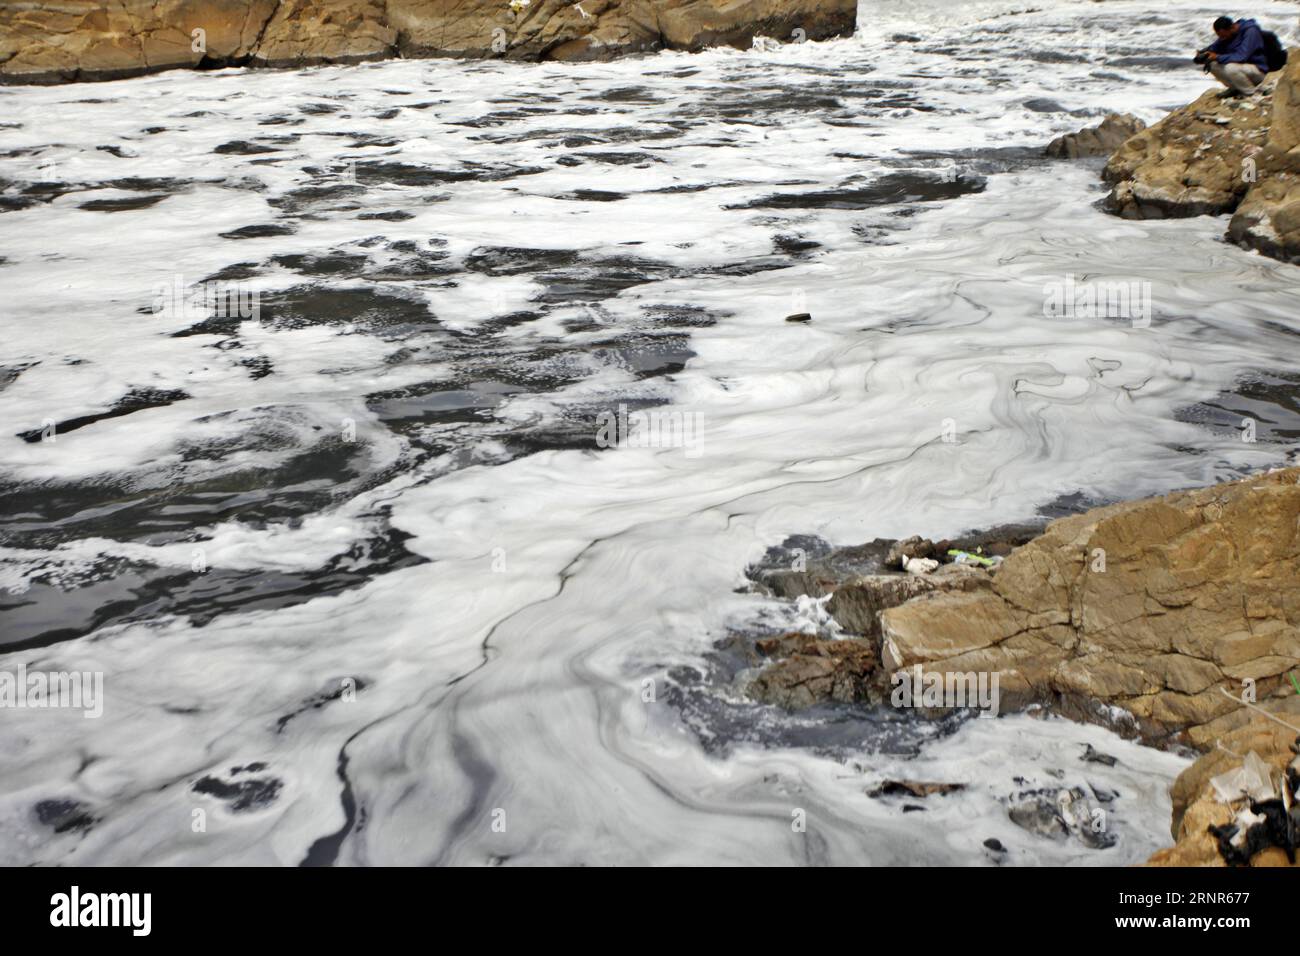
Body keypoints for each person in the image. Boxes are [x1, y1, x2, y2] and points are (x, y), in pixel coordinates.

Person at [1197, 15, 1270, 97]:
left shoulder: (1250, 31)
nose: (1222, 38)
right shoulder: (1227, 34)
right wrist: (1203, 54)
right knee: (1211, 64)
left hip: (1258, 71)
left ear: (1232, 27)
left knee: (1230, 67)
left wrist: (1217, 57)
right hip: (1242, 71)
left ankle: (1251, 93)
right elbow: (1214, 48)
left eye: (1223, 36)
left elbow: (1242, 56)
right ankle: (1235, 88)